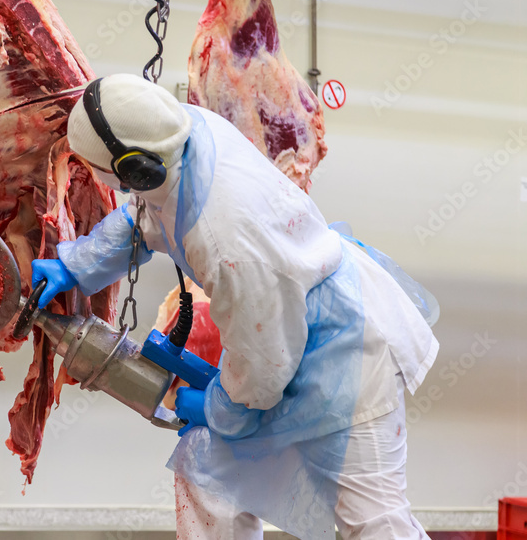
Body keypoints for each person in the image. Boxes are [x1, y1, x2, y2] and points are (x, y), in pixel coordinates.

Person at [31, 74, 439, 540]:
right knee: (208, 476)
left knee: (374, 522)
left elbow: (265, 365)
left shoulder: (225, 240)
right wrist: (78, 264)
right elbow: (148, 213)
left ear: (136, 168)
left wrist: (220, 408)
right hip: (285, 331)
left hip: (348, 354)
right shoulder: (185, 135)